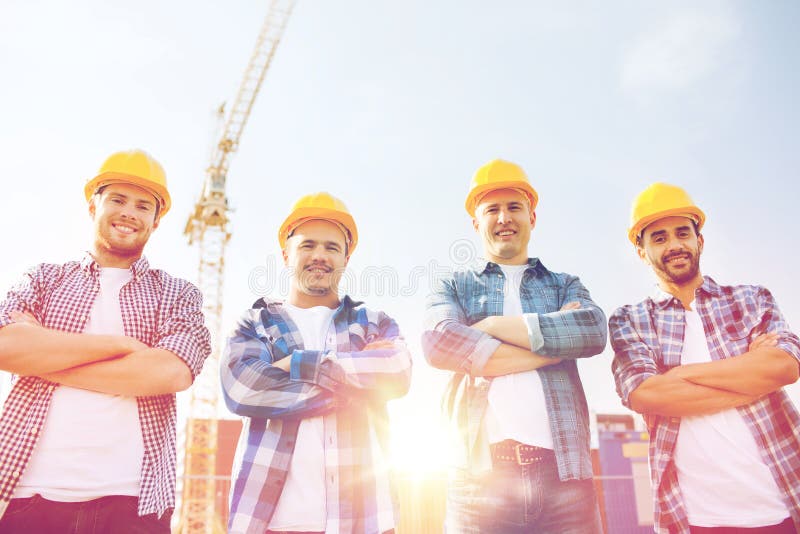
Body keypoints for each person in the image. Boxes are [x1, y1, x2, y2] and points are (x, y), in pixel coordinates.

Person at [0, 149, 211, 533]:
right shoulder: (43, 279)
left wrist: (45, 360)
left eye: (143, 205)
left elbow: (171, 372)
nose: (130, 212)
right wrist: (121, 345)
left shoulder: (177, 294)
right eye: (117, 199)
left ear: (155, 221)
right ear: (92, 206)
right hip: (29, 497)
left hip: (133, 502)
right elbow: (7, 348)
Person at [422, 159, 607, 533]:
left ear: (532, 218)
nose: (504, 217)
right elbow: (439, 342)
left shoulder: (563, 284)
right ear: (477, 223)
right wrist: (556, 347)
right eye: (492, 209)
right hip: (479, 479)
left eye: (514, 207)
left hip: (565, 475)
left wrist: (487, 327)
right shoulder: (453, 286)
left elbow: (592, 331)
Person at [610, 182, 800, 533]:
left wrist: (680, 375)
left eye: (683, 233)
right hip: (696, 520)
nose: (674, 245)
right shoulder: (630, 320)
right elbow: (645, 394)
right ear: (641, 252)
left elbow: (785, 366)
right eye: (659, 238)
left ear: (700, 240)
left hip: (783, 504)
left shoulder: (751, 299)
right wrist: (750, 377)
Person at [221, 192, 412, 534]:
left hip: (363, 520)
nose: (319, 256)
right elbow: (243, 389)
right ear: (286, 254)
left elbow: (396, 371)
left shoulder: (372, 322)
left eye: (331, 247)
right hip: (270, 521)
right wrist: (354, 391)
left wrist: (292, 365)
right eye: (308, 245)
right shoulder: (255, 323)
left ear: (346, 258)